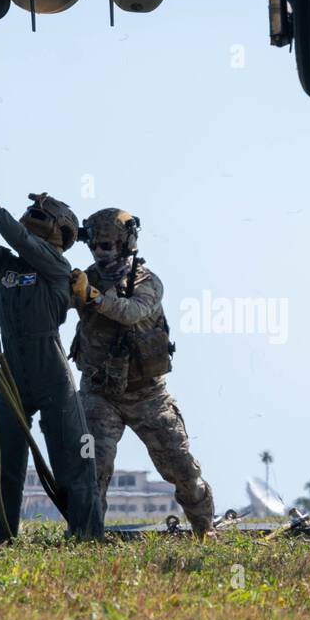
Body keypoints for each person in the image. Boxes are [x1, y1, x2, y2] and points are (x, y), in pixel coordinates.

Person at [0, 161, 104, 541]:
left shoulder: (56, 265)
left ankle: (86, 536)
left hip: (50, 370)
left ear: (62, 230)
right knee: (4, 459)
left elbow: (21, 239)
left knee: (73, 459)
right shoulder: (7, 266)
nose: (36, 214)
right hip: (11, 369)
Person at [69, 208, 217, 539]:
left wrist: (91, 297)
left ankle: (205, 531)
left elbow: (131, 312)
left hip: (147, 396)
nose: (99, 252)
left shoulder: (146, 282)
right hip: (99, 394)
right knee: (92, 468)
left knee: (181, 469)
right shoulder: (83, 279)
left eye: (107, 245)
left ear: (125, 244)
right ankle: (86, 536)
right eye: (95, 245)